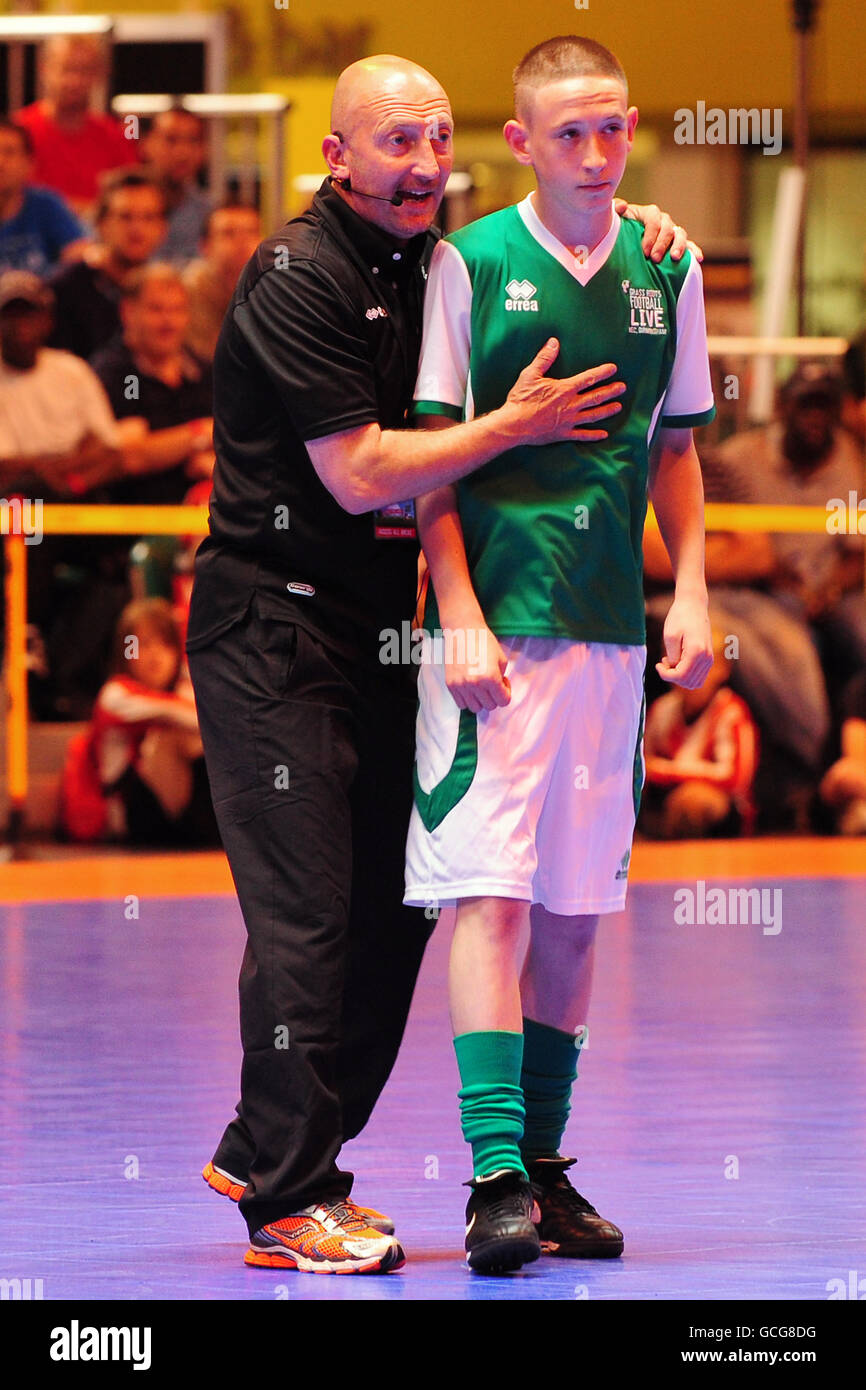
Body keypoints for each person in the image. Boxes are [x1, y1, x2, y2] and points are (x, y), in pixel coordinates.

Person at [186, 50, 696, 1276]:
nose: (420, 168)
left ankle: (270, 1140)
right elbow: (364, 472)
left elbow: (571, 263)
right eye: (392, 145)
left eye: (431, 144)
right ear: (335, 156)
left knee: (394, 908)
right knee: (310, 913)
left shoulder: (439, 261)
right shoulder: (296, 272)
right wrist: (513, 427)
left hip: (379, 622)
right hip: (271, 627)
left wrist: (632, 220)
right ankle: (291, 1194)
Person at [403, 35, 715, 1272]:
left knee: (577, 910)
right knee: (492, 893)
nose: (594, 155)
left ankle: (542, 1165)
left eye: (611, 131)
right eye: (566, 134)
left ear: (631, 126)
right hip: (490, 637)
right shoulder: (462, 265)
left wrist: (688, 585)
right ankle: (488, 1178)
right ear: (520, 141)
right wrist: (458, 611)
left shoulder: (665, 265)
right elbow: (428, 460)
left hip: (608, 634)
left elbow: (678, 449)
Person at [59, 598, 218, 846]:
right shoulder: (115, 694)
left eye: (165, 644)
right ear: (127, 651)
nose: (155, 655)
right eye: (142, 645)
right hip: (126, 815)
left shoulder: (180, 692)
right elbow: (188, 718)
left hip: (170, 812)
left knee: (200, 738)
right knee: (179, 736)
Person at [90, 263, 214, 506]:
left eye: (177, 310)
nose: (169, 322)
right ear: (128, 312)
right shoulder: (111, 374)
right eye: (156, 310)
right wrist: (199, 434)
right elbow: (128, 456)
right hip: (132, 521)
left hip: (206, 515)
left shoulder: (205, 370)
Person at [642, 628, 759, 838]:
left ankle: (693, 864)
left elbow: (735, 778)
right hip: (664, 795)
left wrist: (667, 771)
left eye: (699, 665)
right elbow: (644, 763)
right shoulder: (662, 709)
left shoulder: (730, 712)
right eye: (680, 663)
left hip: (724, 802)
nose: (688, 672)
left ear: (722, 669)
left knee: (691, 800)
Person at [14, 35, 135, 223]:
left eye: (84, 70)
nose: (74, 81)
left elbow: (132, 202)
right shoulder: (18, 133)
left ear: (99, 75)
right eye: (66, 69)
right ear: (45, 69)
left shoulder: (115, 136)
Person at [48, 169, 167, 361]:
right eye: (125, 217)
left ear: (163, 229)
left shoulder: (167, 291)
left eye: (149, 217)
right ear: (101, 223)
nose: (137, 229)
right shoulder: (64, 290)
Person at [0, 120, 87, 275]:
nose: (0, 162)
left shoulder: (46, 204)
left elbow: (79, 252)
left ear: (29, 164)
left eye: (9, 152)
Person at [182, 203, 261, 363]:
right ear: (204, 246)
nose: (242, 241)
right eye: (229, 233)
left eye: (251, 232)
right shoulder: (188, 289)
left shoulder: (270, 286)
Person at [141, 109, 212, 265]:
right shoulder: (120, 203)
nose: (182, 152)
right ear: (146, 144)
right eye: (171, 140)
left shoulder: (210, 213)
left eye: (193, 141)